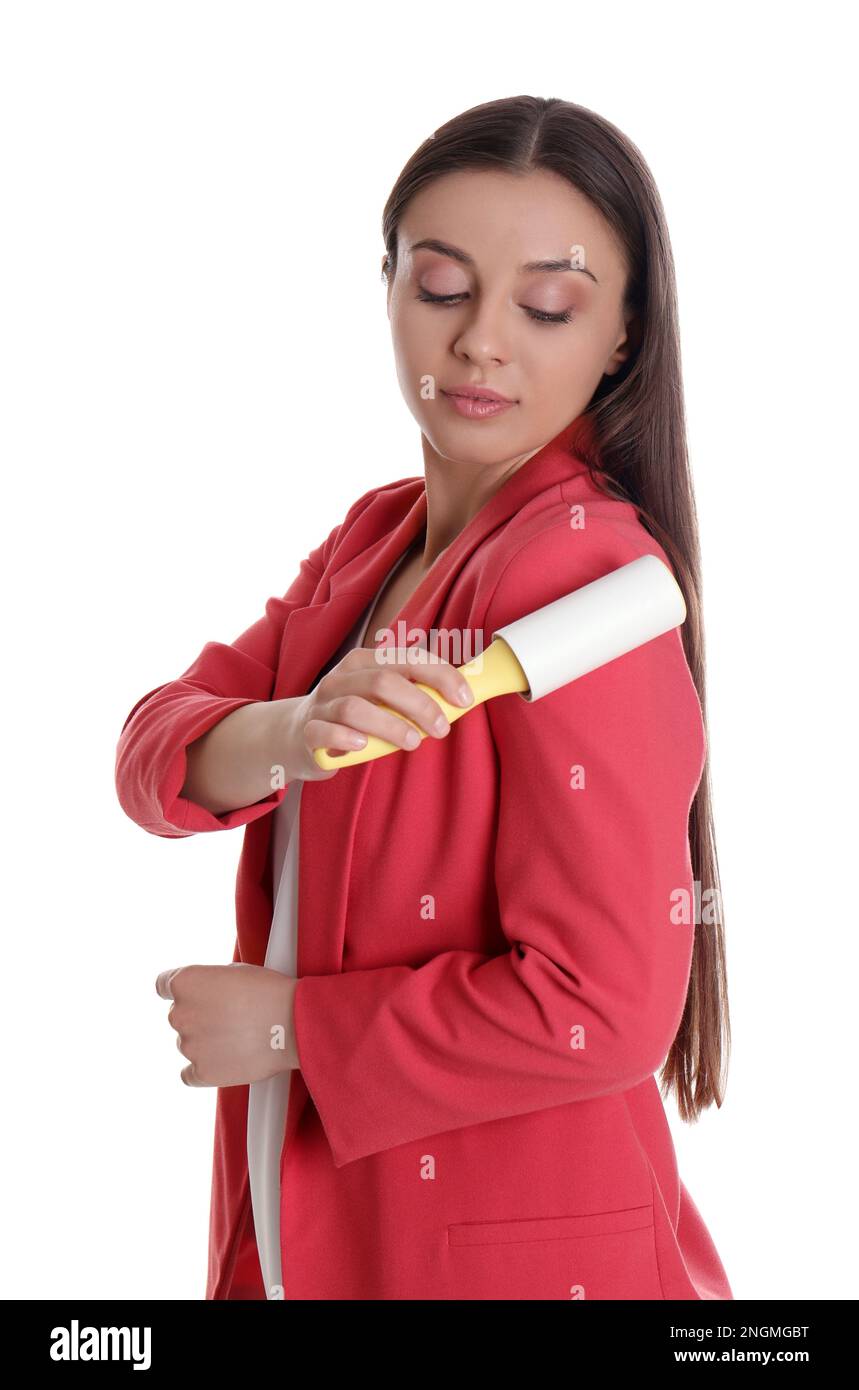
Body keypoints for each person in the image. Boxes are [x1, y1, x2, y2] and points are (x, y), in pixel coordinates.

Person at [116, 94, 733, 1301]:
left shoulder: (580, 580)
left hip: (505, 1256)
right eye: (442, 288)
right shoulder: (373, 539)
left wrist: (290, 1028)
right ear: (388, 283)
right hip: (323, 1228)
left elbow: (604, 1007)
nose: (481, 343)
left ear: (621, 334)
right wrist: (290, 733)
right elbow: (156, 749)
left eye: (548, 305)